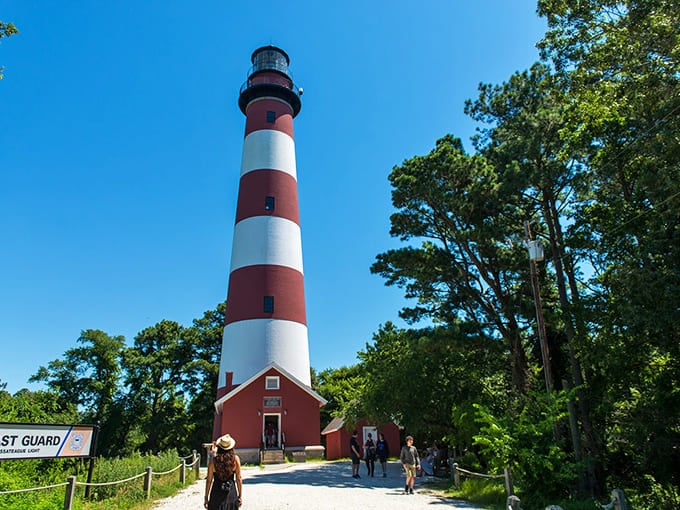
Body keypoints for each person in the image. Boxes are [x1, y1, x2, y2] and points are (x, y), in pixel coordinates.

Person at [205, 433, 242, 509]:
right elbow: (239, 479)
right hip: (231, 493)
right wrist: (240, 496)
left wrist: (206, 497)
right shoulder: (235, 460)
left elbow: (209, 480)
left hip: (216, 493)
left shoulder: (213, 461)